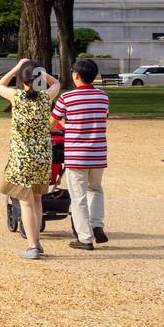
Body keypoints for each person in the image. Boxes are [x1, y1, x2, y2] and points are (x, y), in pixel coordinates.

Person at [0, 57, 60, 259]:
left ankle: (32, 246)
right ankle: (36, 240)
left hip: (22, 158)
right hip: (42, 156)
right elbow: (57, 83)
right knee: (37, 200)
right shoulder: (46, 98)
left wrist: (16, 67)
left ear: (22, 80)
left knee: (26, 202)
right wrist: (41, 72)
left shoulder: (16, 97)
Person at [51, 57, 110, 250]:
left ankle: (85, 237)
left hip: (77, 154)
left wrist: (60, 128)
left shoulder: (67, 98)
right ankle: (97, 225)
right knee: (96, 190)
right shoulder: (103, 97)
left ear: (76, 75)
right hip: (98, 154)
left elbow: (51, 122)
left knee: (78, 196)